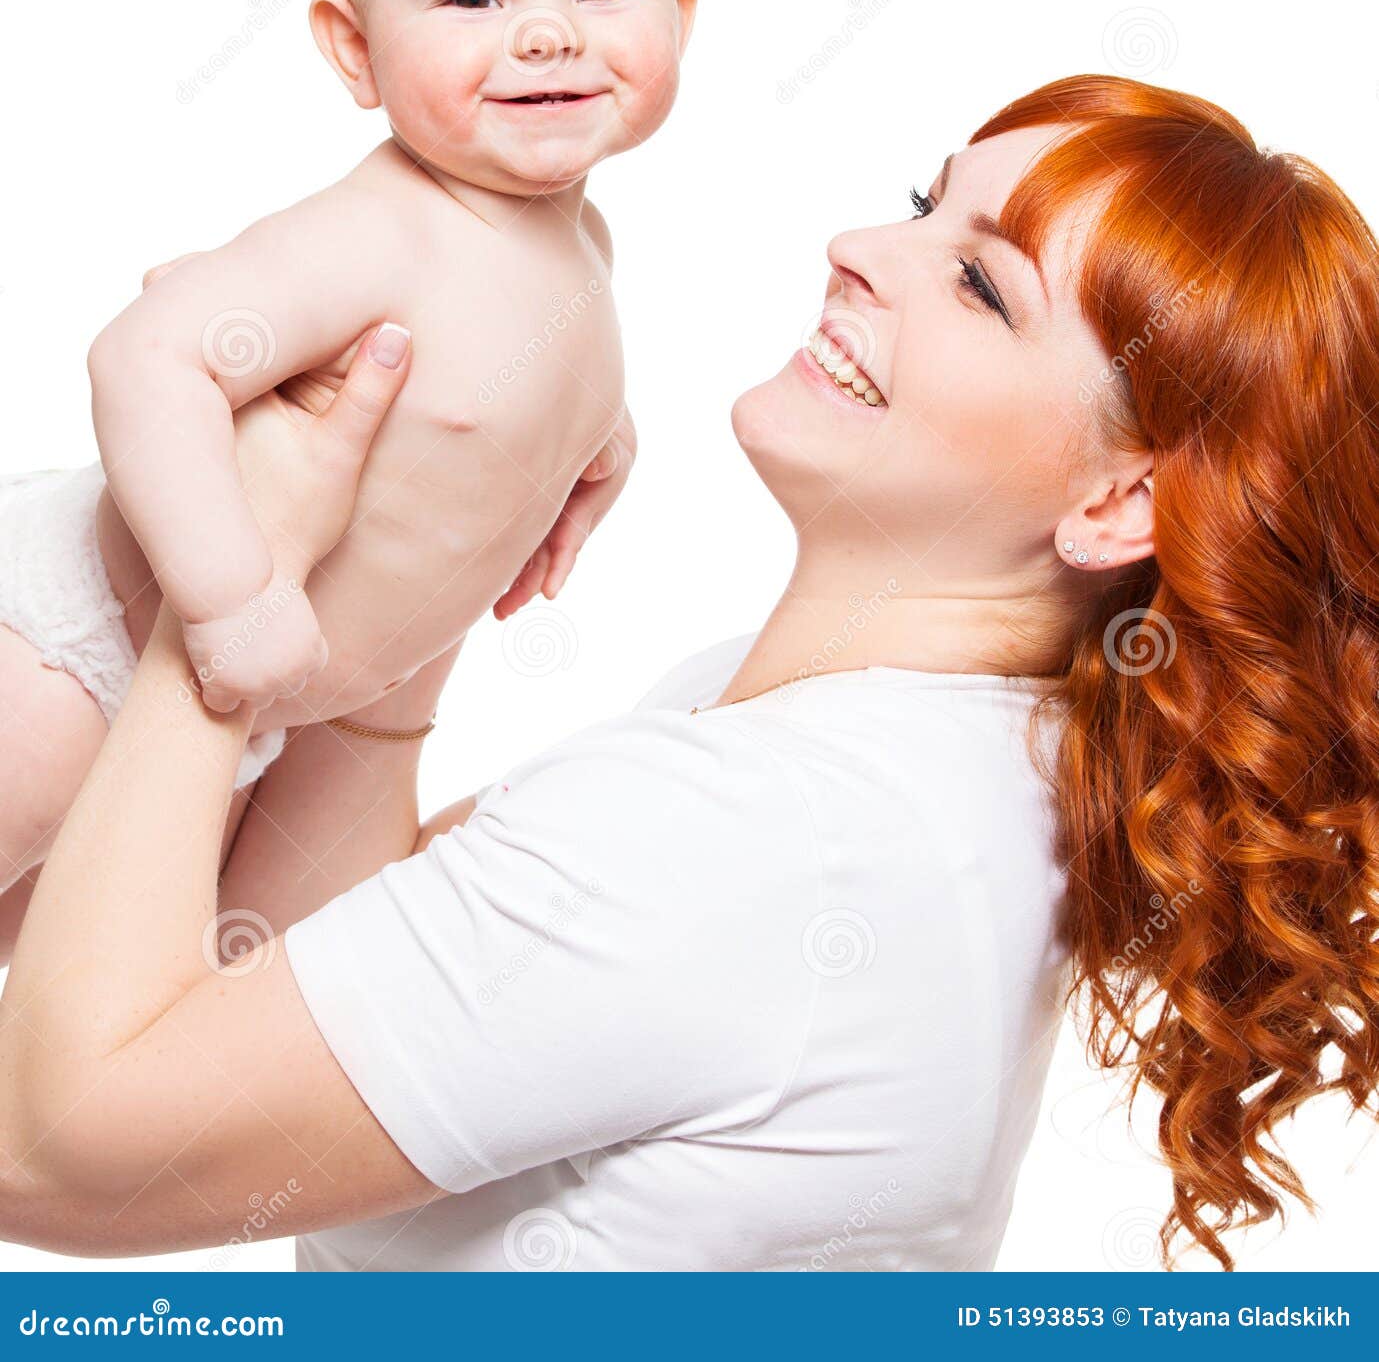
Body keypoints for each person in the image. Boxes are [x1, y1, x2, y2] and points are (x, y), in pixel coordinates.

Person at [1, 73, 1375, 1273]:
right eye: (921, 200)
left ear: (1119, 507)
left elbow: (54, 1148)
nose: (857, 249)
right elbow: (314, 983)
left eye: (976, 283)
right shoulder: (897, 742)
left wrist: (221, 599)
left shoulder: (769, 836)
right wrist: (426, 569)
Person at [0, 0, 692, 878]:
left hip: (257, 720)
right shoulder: (381, 231)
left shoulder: (583, 242)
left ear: (682, 10)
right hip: (78, 657)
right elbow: (144, 359)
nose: (547, 31)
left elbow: (508, 379)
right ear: (355, 48)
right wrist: (227, 599)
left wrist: (596, 444)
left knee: (65, 988)